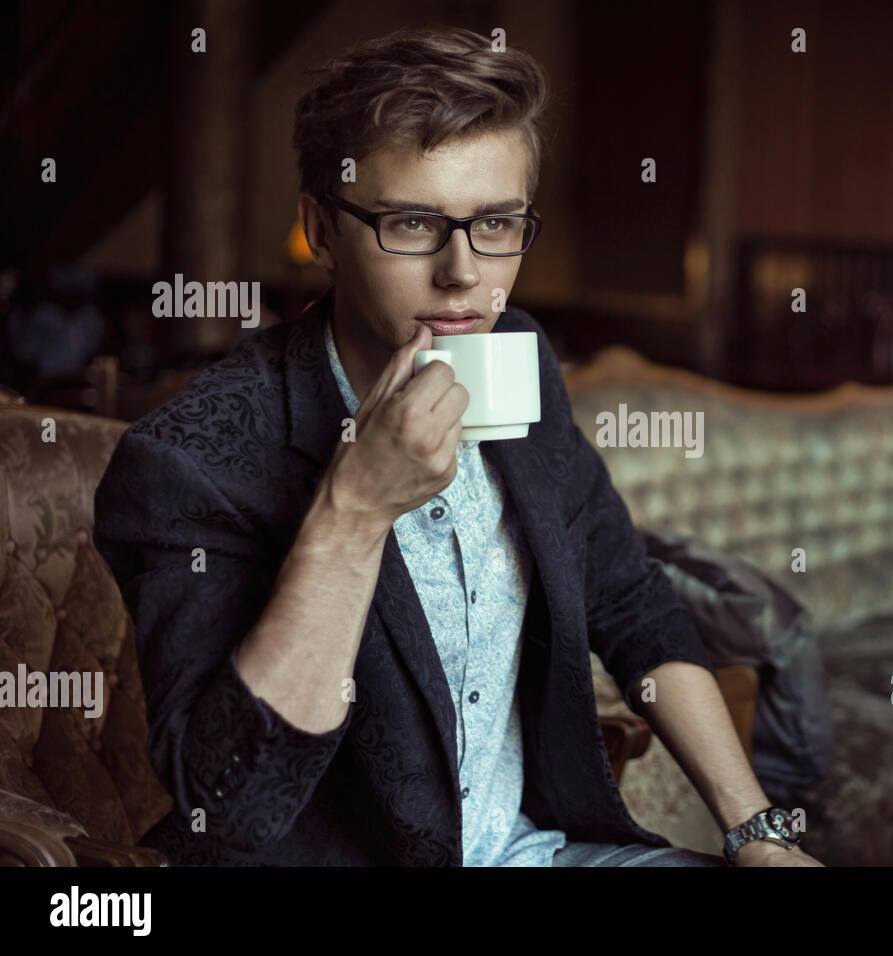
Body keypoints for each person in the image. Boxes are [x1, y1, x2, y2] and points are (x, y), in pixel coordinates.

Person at [93, 25, 822, 867]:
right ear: (321, 231)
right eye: (412, 223)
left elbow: (630, 602)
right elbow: (230, 808)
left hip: (531, 850)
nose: (465, 273)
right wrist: (352, 512)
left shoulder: (518, 362)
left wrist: (757, 832)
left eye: (497, 224)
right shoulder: (191, 458)